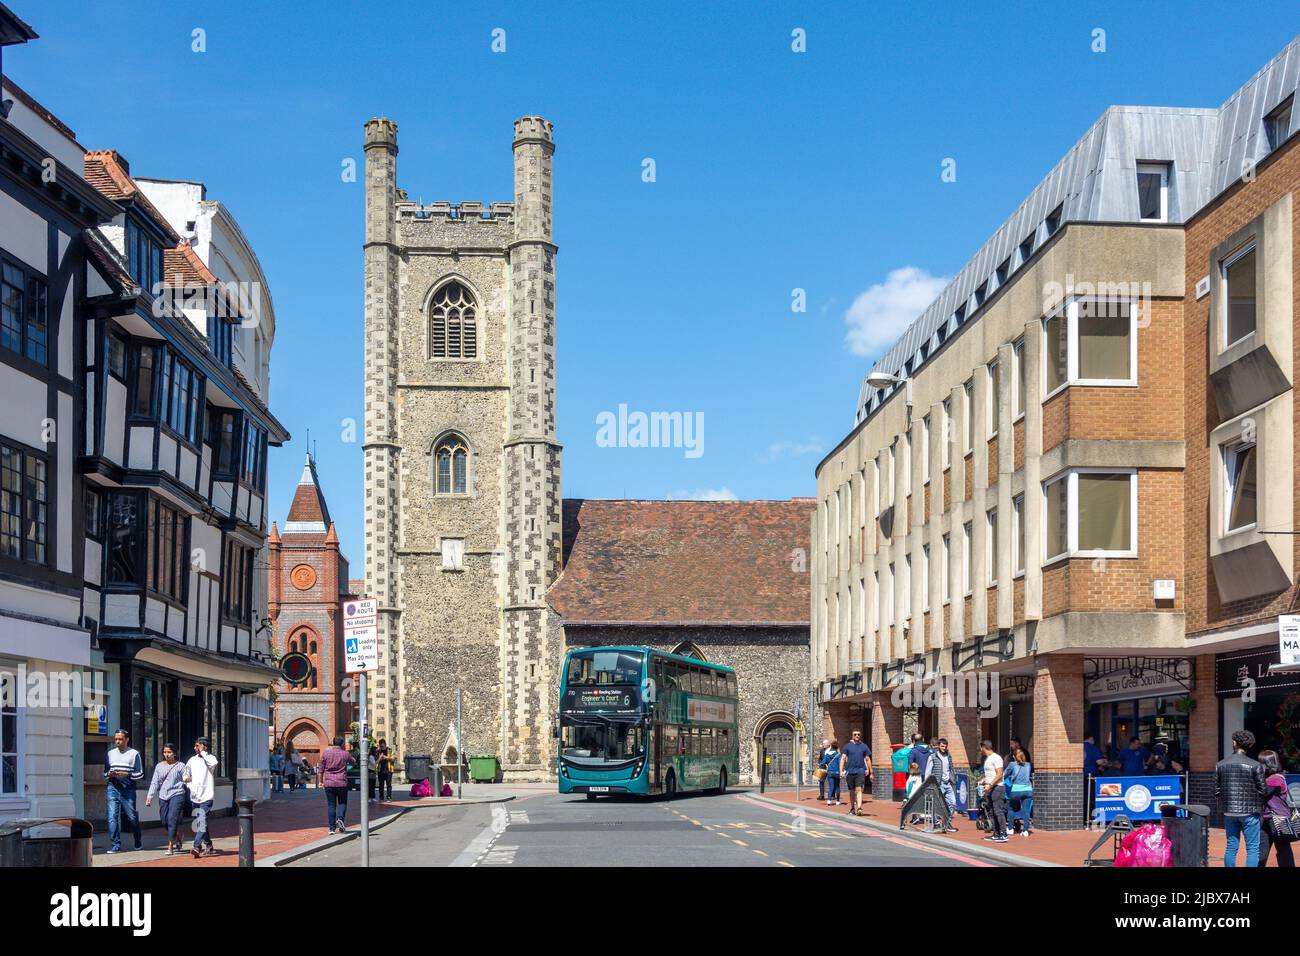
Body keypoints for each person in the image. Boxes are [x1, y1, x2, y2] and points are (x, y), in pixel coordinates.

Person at [1215, 729, 1267, 868]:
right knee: (1252, 849)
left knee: (1231, 847)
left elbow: (1216, 790)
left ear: (1234, 743)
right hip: (1250, 811)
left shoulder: (1220, 764)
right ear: (1249, 745)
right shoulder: (1255, 765)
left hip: (1229, 811)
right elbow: (1263, 790)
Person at [103, 729, 143, 854]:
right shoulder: (110, 753)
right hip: (113, 787)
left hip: (128, 789)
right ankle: (115, 845)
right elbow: (104, 773)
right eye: (116, 739)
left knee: (131, 817)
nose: (118, 741)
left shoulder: (134, 754)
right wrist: (109, 774)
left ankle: (137, 840)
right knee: (112, 817)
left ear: (127, 739)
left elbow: (140, 773)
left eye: (120, 739)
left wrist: (127, 774)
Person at [145, 742, 188, 855]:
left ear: (174, 753)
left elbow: (186, 779)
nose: (167, 754)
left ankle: (170, 846)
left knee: (172, 819)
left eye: (169, 752)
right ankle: (178, 835)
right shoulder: (159, 766)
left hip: (177, 794)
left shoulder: (181, 766)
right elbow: (154, 782)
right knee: (164, 821)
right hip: (163, 795)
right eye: (165, 752)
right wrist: (149, 796)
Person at [1257, 750, 1296, 868]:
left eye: (1260, 763)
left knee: (1283, 850)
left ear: (1267, 764)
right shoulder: (1269, 778)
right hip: (1267, 819)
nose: (1258, 766)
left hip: (1279, 819)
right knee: (1261, 852)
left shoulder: (1276, 778)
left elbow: (1263, 792)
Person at [183, 737, 219, 858]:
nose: (195, 748)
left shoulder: (210, 759)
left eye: (197, 746)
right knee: (201, 822)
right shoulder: (192, 760)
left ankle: (196, 846)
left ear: (204, 747)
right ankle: (209, 845)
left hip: (207, 796)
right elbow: (185, 774)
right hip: (194, 796)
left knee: (201, 821)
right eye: (195, 745)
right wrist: (189, 784)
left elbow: (213, 763)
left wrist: (203, 752)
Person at [320, 735, 357, 834]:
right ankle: (340, 819)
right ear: (342, 744)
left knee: (331, 805)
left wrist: (321, 781)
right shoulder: (345, 754)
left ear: (333, 743)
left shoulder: (326, 753)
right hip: (342, 782)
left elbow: (321, 769)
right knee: (342, 803)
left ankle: (331, 829)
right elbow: (354, 762)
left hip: (329, 782)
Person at [926, 738, 959, 831]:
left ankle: (946, 822)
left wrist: (952, 777)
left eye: (945, 746)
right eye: (942, 746)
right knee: (937, 804)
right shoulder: (933, 756)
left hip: (947, 783)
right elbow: (928, 771)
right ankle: (936, 823)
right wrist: (928, 784)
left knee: (953, 803)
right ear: (938, 746)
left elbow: (951, 768)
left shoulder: (948, 756)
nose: (944, 748)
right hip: (938, 784)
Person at [979, 739, 1008, 843]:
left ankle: (1004, 834)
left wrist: (990, 784)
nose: (980, 750)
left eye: (981, 748)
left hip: (997, 788)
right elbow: (991, 774)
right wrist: (984, 780)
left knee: (998, 811)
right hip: (990, 788)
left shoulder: (996, 758)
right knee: (992, 812)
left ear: (983, 747)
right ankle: (996, 833)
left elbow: (1000, 774)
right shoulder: (988, 759)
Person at [839, 729, 872, 816]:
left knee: (859, 789)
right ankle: (852, 808)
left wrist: (871, 771)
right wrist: (841, 771)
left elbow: (868, 759)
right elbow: (842, 759)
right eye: (855, 734)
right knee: (851, 791)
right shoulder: (847, 746)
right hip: (849, 771)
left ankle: (859, 808)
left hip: (860, 771)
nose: (857, 736)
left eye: (858, 734)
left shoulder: (864, 746)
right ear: (852, 736)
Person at [1004, 748, 1033, 836]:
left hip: (1016, 790)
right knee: (1026, 811)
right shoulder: (1028, 765)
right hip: (1028, 789)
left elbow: (1004, 774)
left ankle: (1010, 828)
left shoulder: (1012, 764)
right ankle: (1025, 831)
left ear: (1014, 756)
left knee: (1011, 808)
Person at [820, 740, 842, 806]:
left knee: (831, 787)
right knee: (837, 787)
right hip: (837, 772)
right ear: (837, 747)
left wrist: (820, 765)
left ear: (831, 746)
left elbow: (823, 763)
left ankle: (829, 800)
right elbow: (840, 764)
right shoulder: (838, 755)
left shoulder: (827, 755)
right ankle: (837, 801)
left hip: (830, 772)